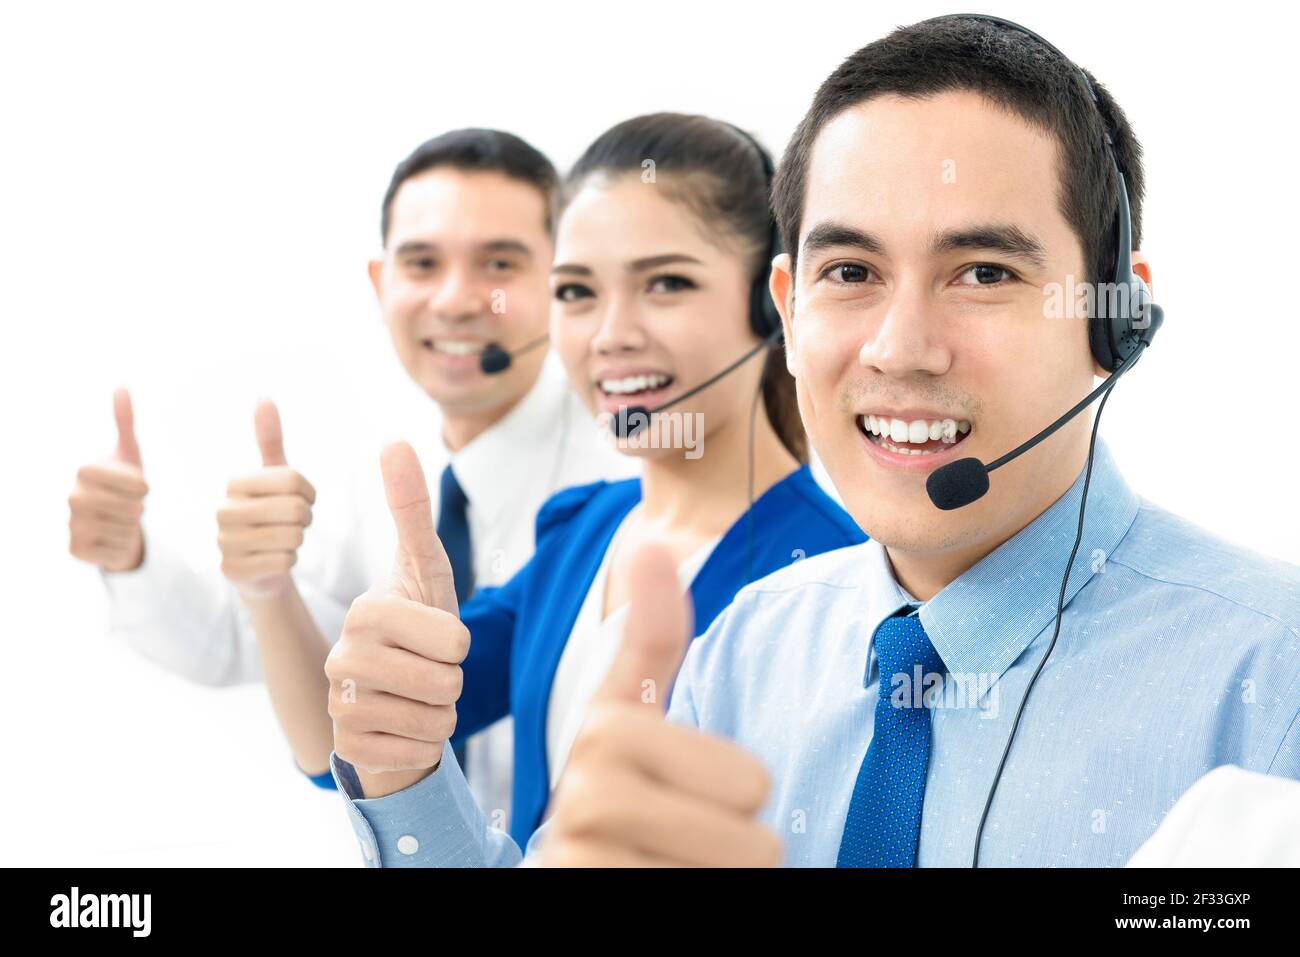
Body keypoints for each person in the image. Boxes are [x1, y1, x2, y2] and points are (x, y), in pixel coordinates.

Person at [322, 17, 1299, 867]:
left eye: (984, 271)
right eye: (850, 272)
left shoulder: (1270, 680)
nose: (900, 348)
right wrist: (406, 775)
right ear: (787, 312)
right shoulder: (742, 651)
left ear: (1111, 315)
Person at [321, 113, 868, 852]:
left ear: (773, 306)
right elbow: (376, 744)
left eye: (666, 282)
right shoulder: (577, 528)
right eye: (576, 291)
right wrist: (385, 718)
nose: (611, 333)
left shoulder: (836, 588)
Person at [67, 129, 634, 820]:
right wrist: (140, 559)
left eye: (499, 264)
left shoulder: (630, 476)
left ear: (563, 277)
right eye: (422, 263)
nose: (456, 300)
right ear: (381, 281)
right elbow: (238, 650)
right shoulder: (381, 476)